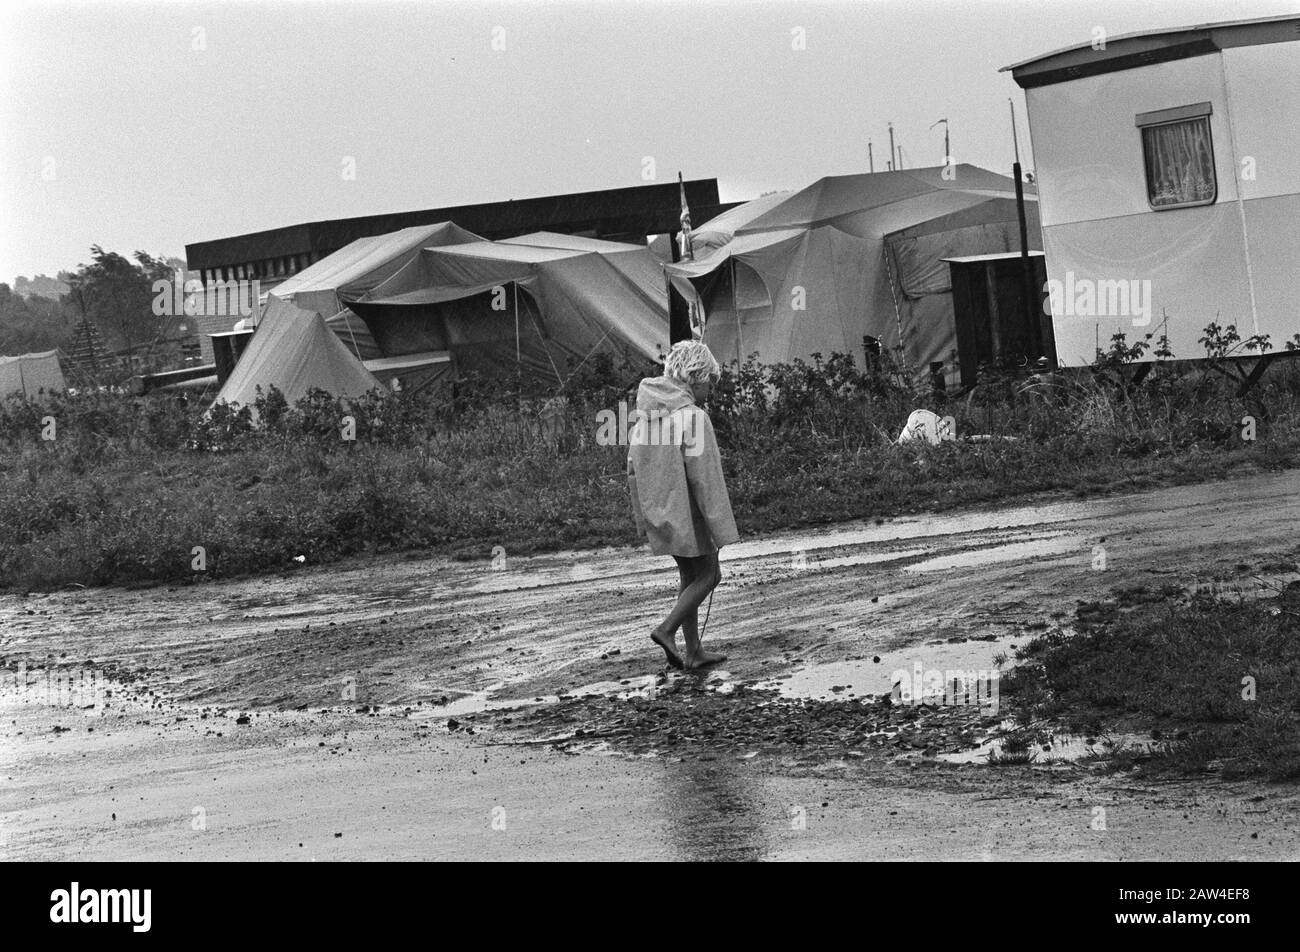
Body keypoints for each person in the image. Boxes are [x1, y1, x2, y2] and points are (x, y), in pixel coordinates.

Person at [626, 340, 739, 670]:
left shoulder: (646, 416)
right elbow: (706, 478)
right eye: (709, 384)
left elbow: (633, 468)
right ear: (696, 377)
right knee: (710, 575)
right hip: (690, 513)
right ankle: (666, 629)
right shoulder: (693, 418)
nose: (710, 392)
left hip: (660, 512)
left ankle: (692, 650)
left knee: (689, 577)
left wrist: (644, 516)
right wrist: (718, 525)